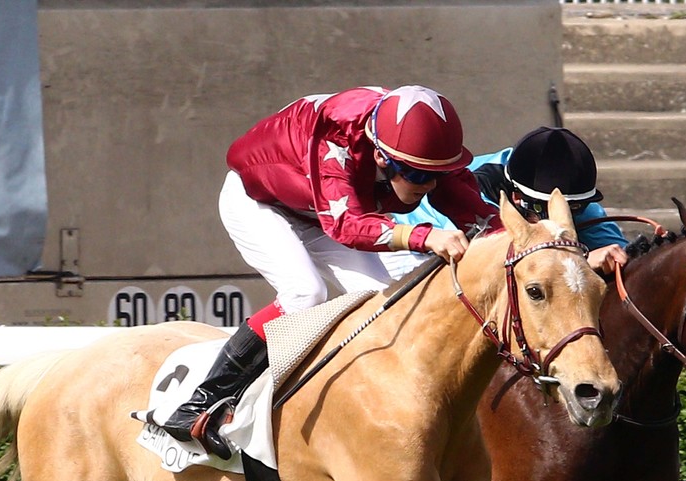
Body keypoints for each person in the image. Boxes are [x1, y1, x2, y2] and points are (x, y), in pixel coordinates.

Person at [159, 85, 498, 459]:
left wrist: (521, 239)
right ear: (384, 158)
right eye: (419, 176)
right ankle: (200, 403)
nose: (430, 184)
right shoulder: (337, 135)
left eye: (437, 173)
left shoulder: (414, 147)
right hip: (259, 202)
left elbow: (469, 206)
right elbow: (347, 226)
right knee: (305, 294)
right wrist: (424, 236)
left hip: (317, 211)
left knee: (379, 299)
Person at [388, 125, 629, 278]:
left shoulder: (576, 203)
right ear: (517, 198)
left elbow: (622, 256)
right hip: (414, 252)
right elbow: (490, 264)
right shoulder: (468, 192)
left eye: (575, 208)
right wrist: (584, 261)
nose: (563, 215)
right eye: (545, 209)